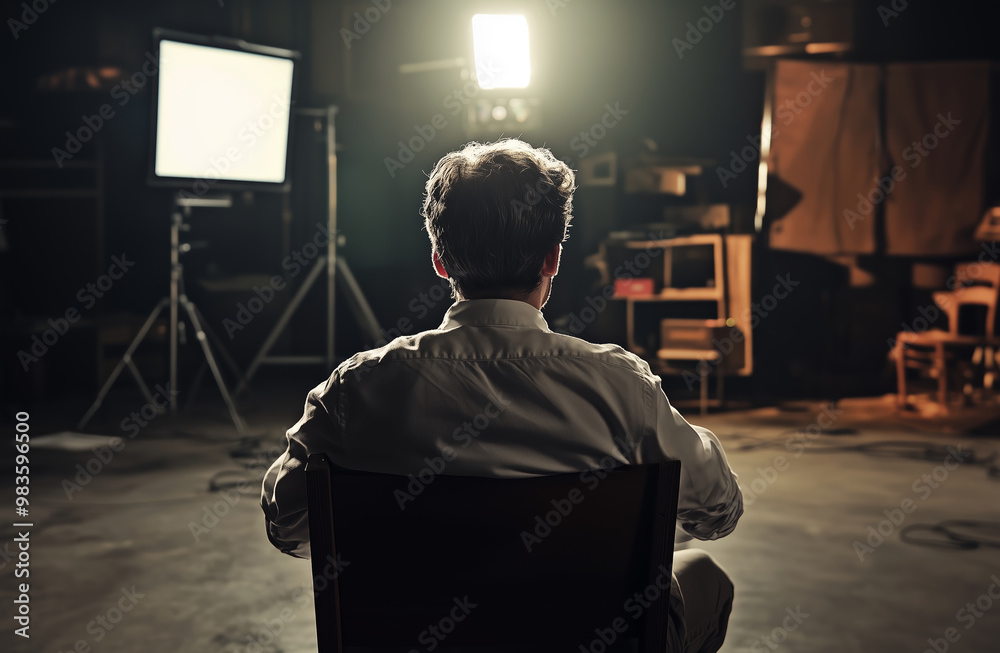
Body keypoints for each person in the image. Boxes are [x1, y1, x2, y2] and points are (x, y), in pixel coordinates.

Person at [261, 138, 743, 652]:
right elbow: (718, 513)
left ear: (440, 261)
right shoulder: (623, 387)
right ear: (553, 259)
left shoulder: (356, 391)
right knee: (704, 574)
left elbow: (287, 525)